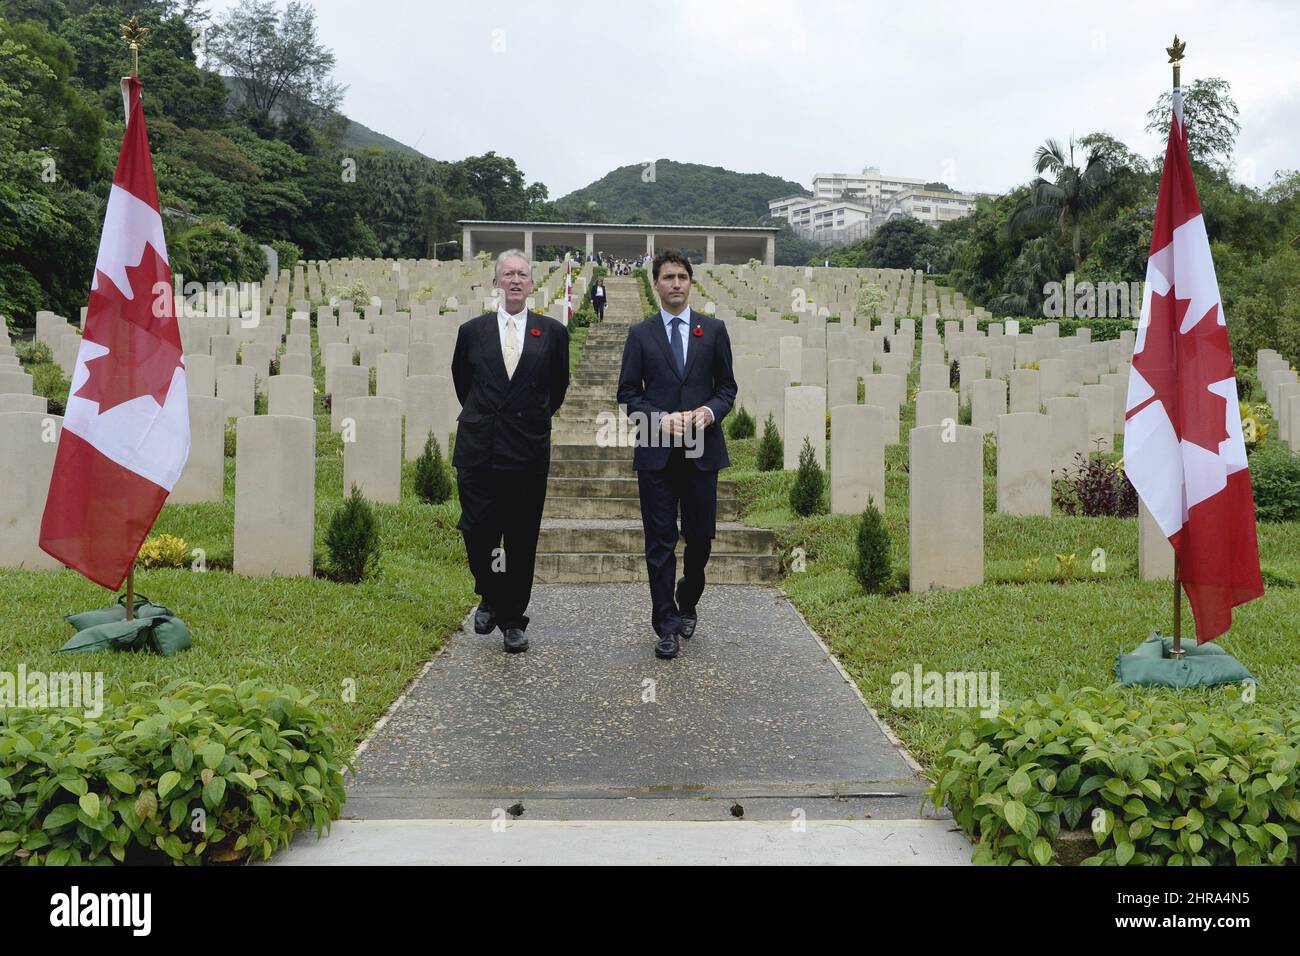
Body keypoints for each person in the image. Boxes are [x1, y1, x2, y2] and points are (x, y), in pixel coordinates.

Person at [616, 250, 736, 660]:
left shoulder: (714, 330)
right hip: (656, 453)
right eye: (668, 276)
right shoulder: (641, 334)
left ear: (691, 282)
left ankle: (687, 598)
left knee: (700, 538)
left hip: (703, 450)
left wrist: (707, 412)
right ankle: (665, 624)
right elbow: (628, 394)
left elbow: (727, 390)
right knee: (660, 541)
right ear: (656, 283)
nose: (676, 283)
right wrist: (659, 419)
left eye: (683, 276)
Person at [451, 249, 569, 653]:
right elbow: (463, 384)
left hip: (527, 448)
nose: (515, 280)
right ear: (496, 282)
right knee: (478, 528)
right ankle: (489, 593)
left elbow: (557, 389)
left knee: (520, 537)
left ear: (532, 283)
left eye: (522, 274)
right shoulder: (472, 331)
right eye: (508, 274)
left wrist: (526, 420)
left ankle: (513, 618)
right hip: (479, 445)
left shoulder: (552, 333)